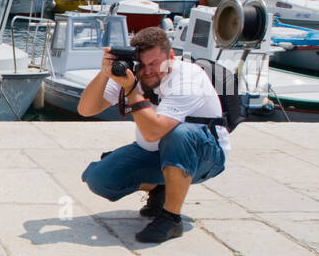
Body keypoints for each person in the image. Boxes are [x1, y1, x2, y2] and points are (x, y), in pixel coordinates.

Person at [78, 25, 229, 243]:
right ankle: (162, 189)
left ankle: (171, 218)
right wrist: (105, 73)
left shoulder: (188, 77)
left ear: (171, 57)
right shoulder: (135, 73)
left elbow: (153, 131)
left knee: (179, 134)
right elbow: (86, 109)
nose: (148, 71)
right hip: (157, 154)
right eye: (143, 64)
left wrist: (131, 90)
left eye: (155, 63)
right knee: (99, 179)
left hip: (205, 157)